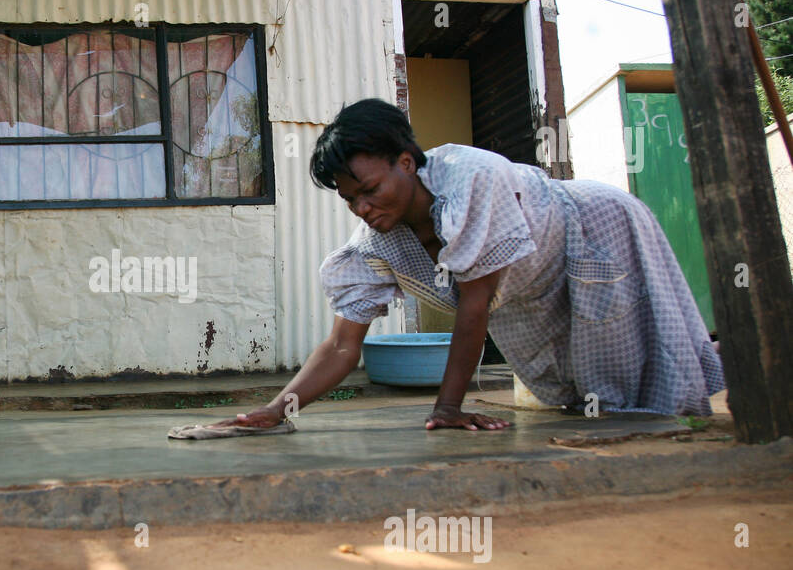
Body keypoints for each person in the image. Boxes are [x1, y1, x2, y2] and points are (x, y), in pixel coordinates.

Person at [218, 98, 725, 432]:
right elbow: (341, 344)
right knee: (587, 386)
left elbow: (474, 308)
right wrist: (276, 409)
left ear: (407, 162)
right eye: (351, 200)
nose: (363, 209)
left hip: (597, 226)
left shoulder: (471, 182)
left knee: (632, 367)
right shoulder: (376, 242)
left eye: (370, 191)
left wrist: (448, 408)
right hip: (535, 275)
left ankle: (745, 368)